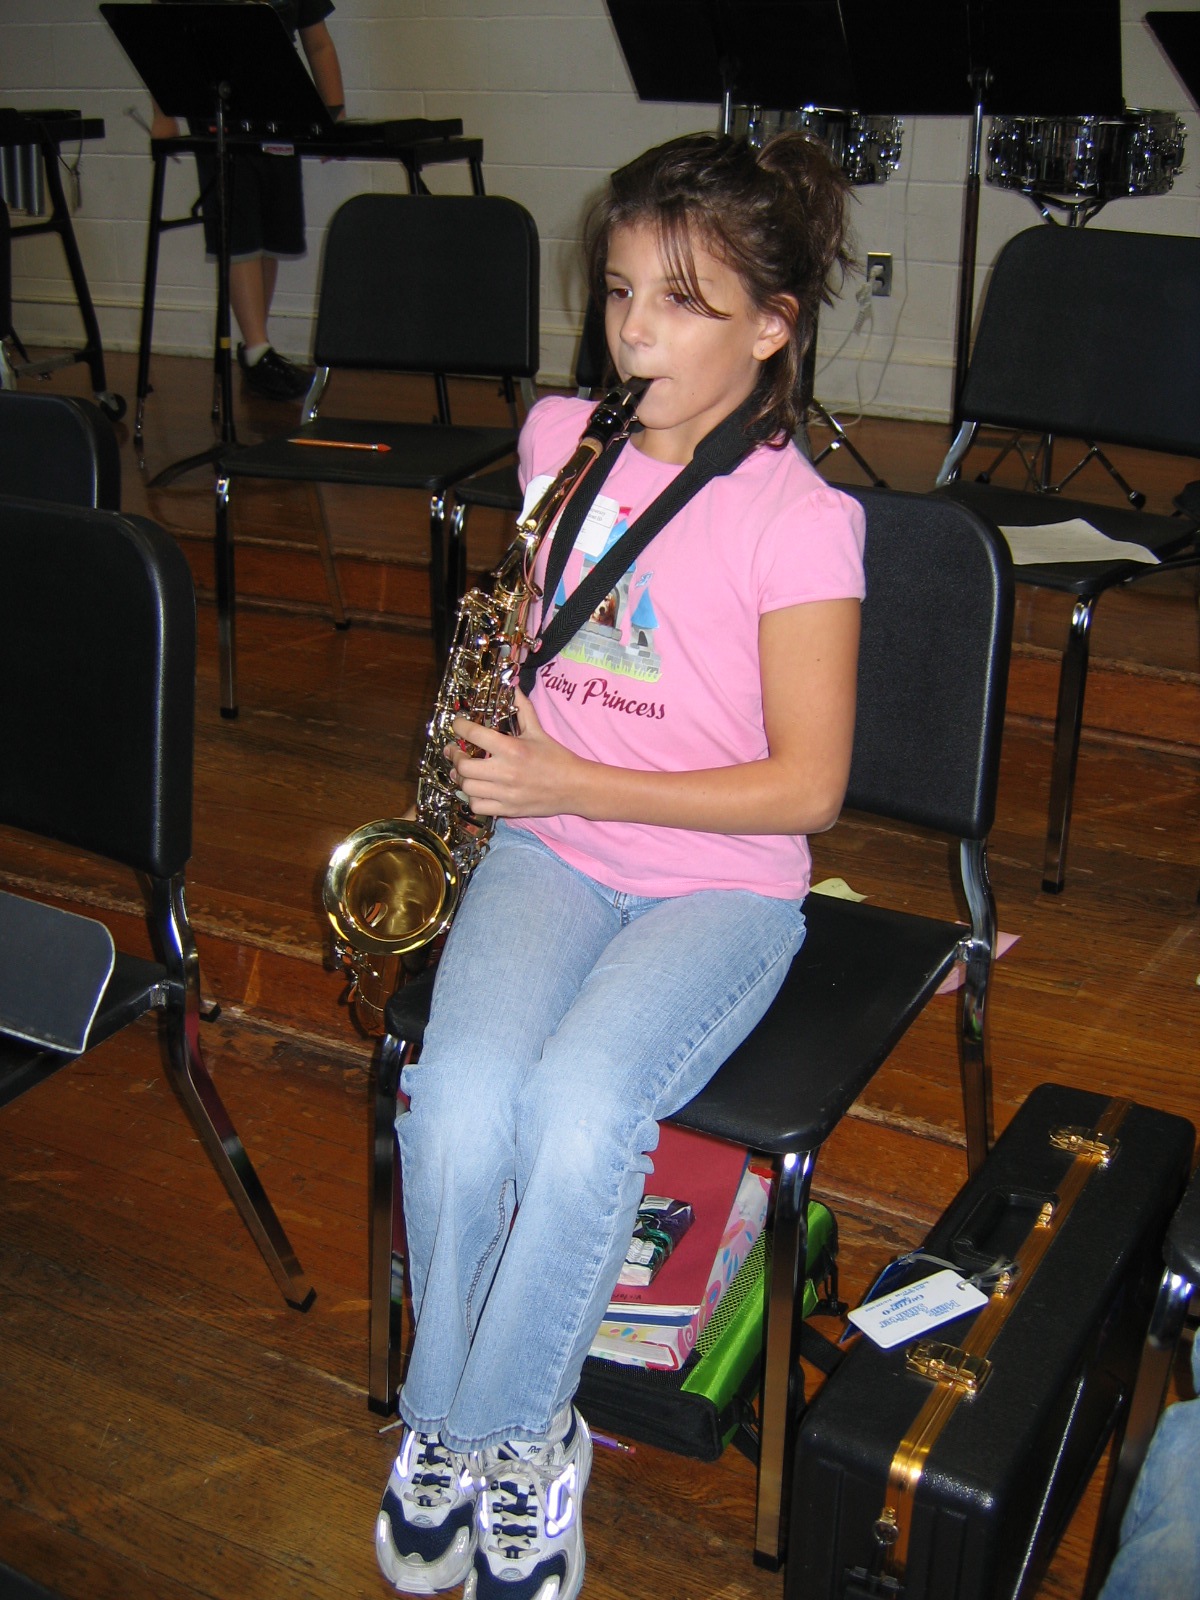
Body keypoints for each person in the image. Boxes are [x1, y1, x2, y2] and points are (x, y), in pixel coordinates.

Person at [374, 129, 865, 1600]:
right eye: (618, 293)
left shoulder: (804, 521)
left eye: (684, 300)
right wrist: (499, 703)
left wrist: (564, 771)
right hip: (555, 845)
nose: (635, 331)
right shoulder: (552, 443)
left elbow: (814, 790)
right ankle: (455, 1432)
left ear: (774, 327)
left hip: (720, 886)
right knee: (458, 1100)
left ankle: (505, 1437)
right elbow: (546, 643)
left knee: (586, 1115)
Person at [150, 0, 345, 401]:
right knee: (238, 225)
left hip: (281, 109)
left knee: (273, 231)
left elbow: (318, 43)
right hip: (217, 113)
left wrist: (334, 113)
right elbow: (162, 43)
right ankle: (258, 350)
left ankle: (258, 348)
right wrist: (164, 113)